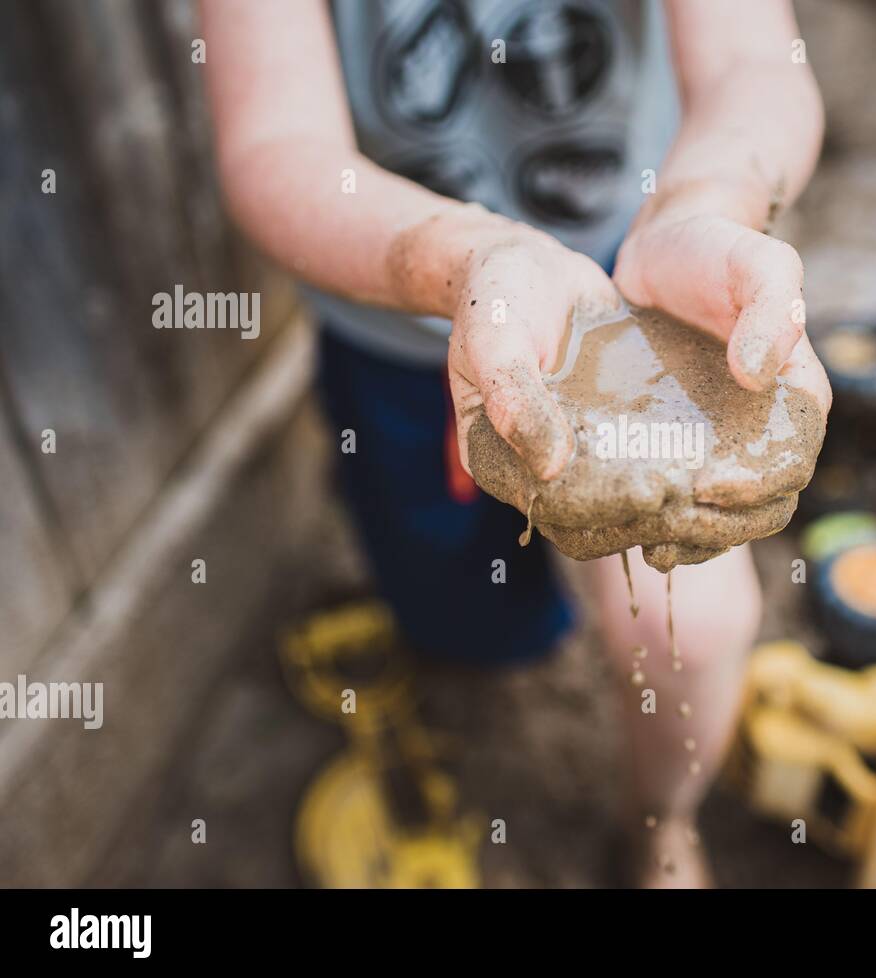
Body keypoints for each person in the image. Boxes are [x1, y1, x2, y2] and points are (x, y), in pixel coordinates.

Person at [200, 0, 830, 887]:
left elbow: (753, 65)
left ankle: (661, 822)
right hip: (400, 320)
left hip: (644, 289)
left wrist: (704, 202)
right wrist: (462, 261)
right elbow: (274, 149)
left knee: (693, 628)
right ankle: (493, 640)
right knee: (463, 609)